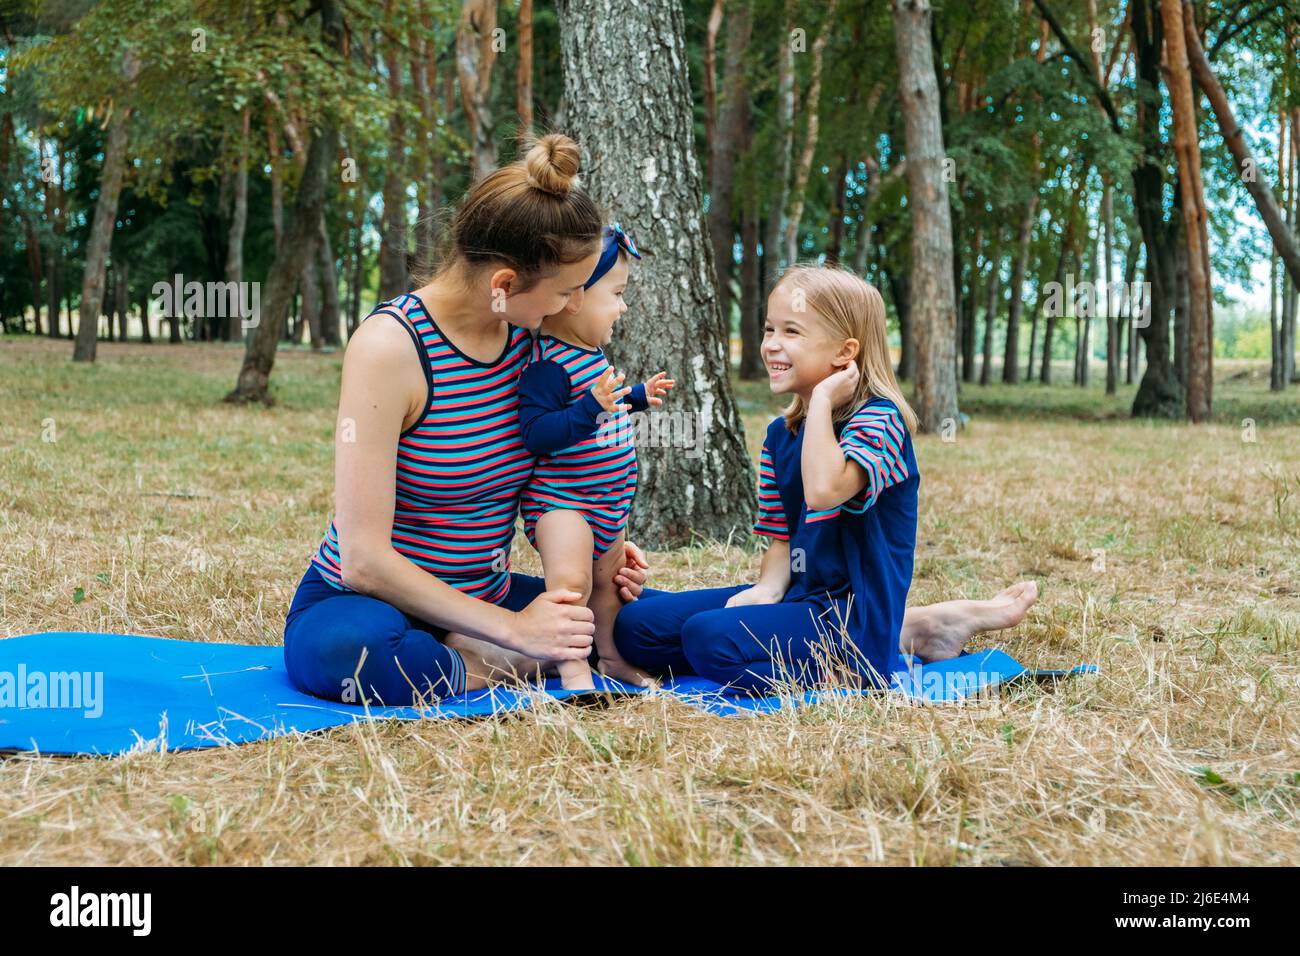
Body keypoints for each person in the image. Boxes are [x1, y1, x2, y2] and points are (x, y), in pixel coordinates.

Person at [283, 134, 651, 706]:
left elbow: (574, 460)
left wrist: (603, 552)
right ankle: (504, 660)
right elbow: (363, 560)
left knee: (639, 625)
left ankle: (490, 657)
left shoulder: (535, 345)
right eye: (565, 292)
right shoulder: (390, 348)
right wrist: (514, 631)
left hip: (483, 596)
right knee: (353, 655)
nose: (573, 307)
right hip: (369, 603)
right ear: (504, 284)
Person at [613, 265, 1039, 692]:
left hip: (853, 617)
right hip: (801, 600)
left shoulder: (879, 421)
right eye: (768, 329)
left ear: (843, 352)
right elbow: (781, 535)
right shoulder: (781, 436)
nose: (772, 345)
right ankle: (912, 630)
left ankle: (865, 663)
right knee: (634, 627)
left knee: (708, 639)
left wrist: (820, 402)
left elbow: (823, 490)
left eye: (792, 332)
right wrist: (766, 589)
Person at [516, 224, 672, 690]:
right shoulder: (548, 364)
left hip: (608, 503)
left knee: (610, 589)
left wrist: (638, 396)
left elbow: (610, 402)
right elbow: (537, 433)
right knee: (571, 587)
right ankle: (570, 664)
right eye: (617, 294)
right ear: (575, 297)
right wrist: (590, 407)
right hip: (562, 503)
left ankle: (612, 657)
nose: (623, 306)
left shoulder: (593, 354)